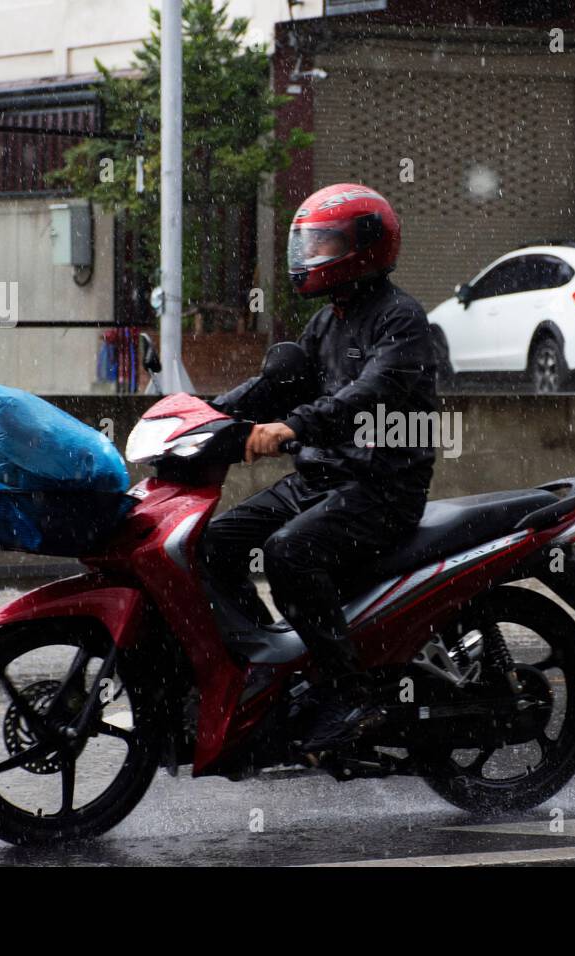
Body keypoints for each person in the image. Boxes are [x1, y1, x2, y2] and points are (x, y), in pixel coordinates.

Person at [203, 183, 437, 754]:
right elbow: (279, 382)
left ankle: (348, 692)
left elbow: (369, 392)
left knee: (289, 552)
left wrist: (294, 427)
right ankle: (264, 666)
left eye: (325, 243)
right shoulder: (328, 322)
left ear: (365, 248)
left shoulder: (401, 321)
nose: (311, 257)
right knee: (212, 544)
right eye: (308, 243)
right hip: (322, 479)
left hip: (380, 488)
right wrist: (207, 416)